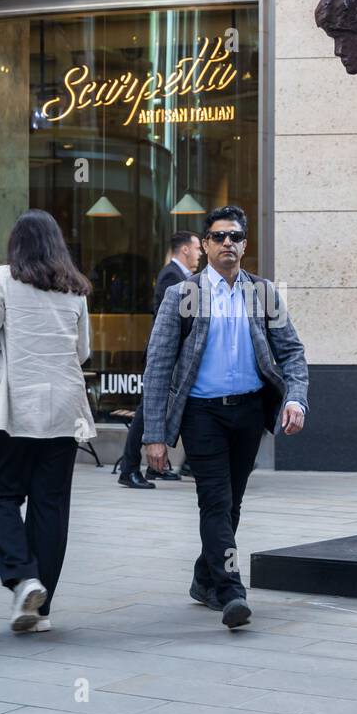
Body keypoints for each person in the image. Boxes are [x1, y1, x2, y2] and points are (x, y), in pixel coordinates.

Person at [141, 205, 309, 629]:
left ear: (245, 244)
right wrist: (154, 435)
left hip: (250, 412)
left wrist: (296, 399)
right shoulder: (183, 295)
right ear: (205, 245)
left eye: (235, 237)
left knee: (230, 504)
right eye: (218, 237)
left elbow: (292, 352)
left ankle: (204, 578)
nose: (227, 244)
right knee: (214, 501)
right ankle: (232, 590)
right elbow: (159, 366)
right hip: (202, 415)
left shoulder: (263, 293)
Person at [0, 210, 96, 633]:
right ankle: (39, 608)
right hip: (64, 410)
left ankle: (24, 577)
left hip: (14, 408)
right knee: (51, 505)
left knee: (1, 494)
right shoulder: (75, 288)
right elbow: (82, 352)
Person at [118, 230, 202, 489]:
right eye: (198, 248)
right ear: (185, 249)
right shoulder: (171, 276)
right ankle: (129, 468)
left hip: (178, 358)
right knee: (146, 412)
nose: (200, 253)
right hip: (166, 357)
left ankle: (170, 466)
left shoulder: (182, 277)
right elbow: (170, 322)